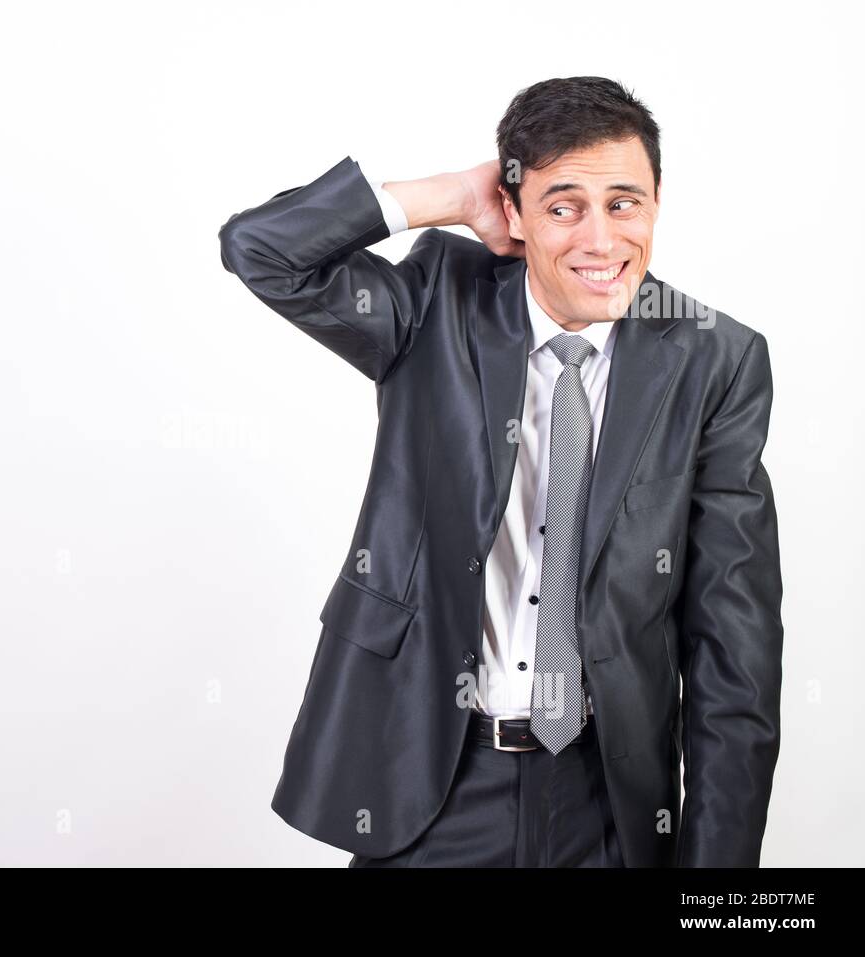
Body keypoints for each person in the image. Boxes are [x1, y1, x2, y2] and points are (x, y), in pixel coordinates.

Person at [217, 76, 782, 867]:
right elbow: (261, 250)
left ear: (657, 203)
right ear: (513, 211)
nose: (599, 239)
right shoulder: (437, 302)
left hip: (610, 801)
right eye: (562, 205)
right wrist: (450, 195)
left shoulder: (715, 359)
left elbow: (735, 647)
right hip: (434, 783)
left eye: (625, 203)